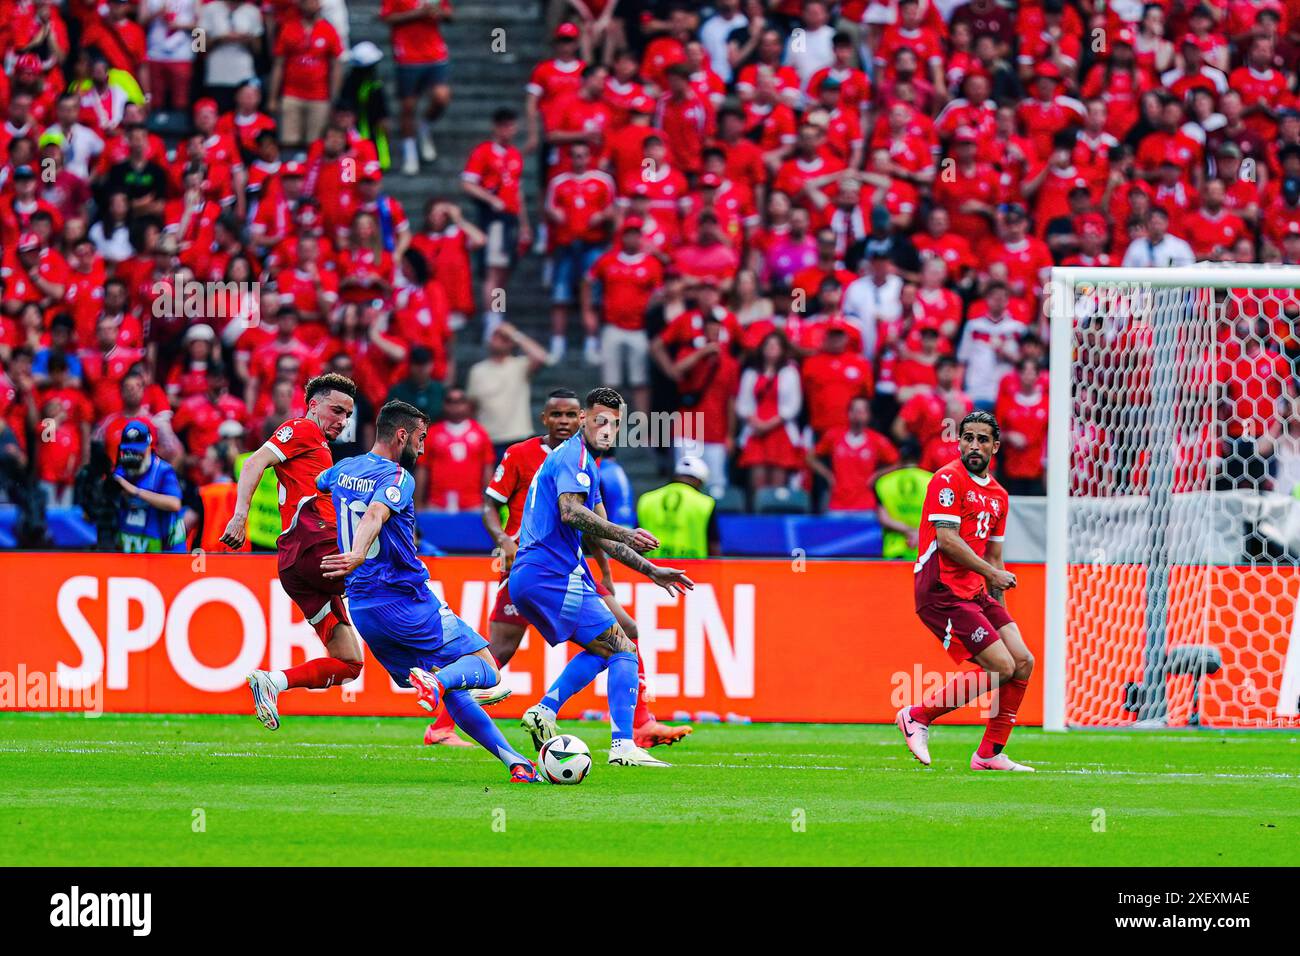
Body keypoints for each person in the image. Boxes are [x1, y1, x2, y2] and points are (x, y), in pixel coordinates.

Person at [318, 399, 542, 784]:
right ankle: (436, 683)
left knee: (455, 687)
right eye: (420, 438)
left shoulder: (342, 469)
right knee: (488, 670)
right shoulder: (398, 478)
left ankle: (515, 762)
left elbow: (317, 487)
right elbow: (374, 514)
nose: (423, 448)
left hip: (365, 610)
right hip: (405, 599)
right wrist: (356, 553)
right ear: (402, 434)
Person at [481, 387, 690, 748]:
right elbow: (571, 512)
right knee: (621, 647)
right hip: (550, 573)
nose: (607, 429)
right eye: (600, 421)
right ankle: (625, 743)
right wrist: (627, 533)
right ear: (584, 419)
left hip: (545, 573)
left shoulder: (587, 464)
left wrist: (651, 570)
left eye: (615, 424)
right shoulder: (573, 458)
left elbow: (604, 539)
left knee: (614, 641)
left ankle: (546, 710)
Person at [220, 373, 365, 731]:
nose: (342, 421)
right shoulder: (301, 429)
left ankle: (273, 682)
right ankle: (442, 670)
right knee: (385, 570)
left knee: (349, 662)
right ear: (313, 404)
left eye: (348, 415)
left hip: (296, 568)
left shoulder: (320, 446)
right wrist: (240, 516)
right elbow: (255, 462)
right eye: (336, 410)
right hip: (313, 544)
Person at [897, 411, 1035, 772]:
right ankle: (917, 716)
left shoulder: (1000, 496)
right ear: (959, 441)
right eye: (968, 437)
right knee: (1000, 665)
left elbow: (994, 556)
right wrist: (992, 573)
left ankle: (989, 753)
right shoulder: (947, 480)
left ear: (996, 446)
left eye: (982, 439)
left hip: (974, 592)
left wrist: (1000, 610)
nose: (974, 445)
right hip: (940, 589)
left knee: (1022, 660)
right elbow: (946, 541)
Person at [112, 418, 185, 552]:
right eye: (128, 450)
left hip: (165, 549)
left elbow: (174, 504)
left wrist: (136, 491)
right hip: (131, 547)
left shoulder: (163, 470)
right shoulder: (120, 472)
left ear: (149, 447)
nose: (133, 455)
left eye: (137, 450)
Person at [636, 456, 720, 559]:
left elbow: (635, 540)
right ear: (699, 481)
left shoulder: (646, 499)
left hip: (651, 567)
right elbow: (713, 545)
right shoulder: (706, 503)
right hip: (694, 569)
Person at [873, 440, 930, 560]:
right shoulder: (933, 480)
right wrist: (916, 532)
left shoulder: (883, 482)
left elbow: (884, 518)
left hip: (894, 549)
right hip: (924, 548)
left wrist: (908, 530)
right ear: (920, 456)